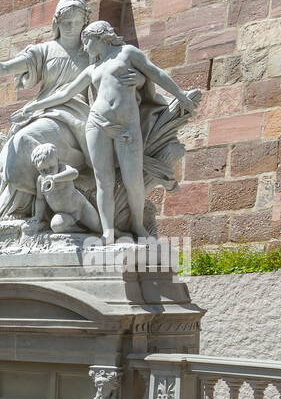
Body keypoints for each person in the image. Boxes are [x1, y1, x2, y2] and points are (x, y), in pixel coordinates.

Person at [0, 0, 136, 225]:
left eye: (77, 22)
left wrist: (136, 80)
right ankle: (18, 212)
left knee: (25, 139)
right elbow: (6, 68)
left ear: (84, 22)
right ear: (57, 22)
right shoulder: (44, 50)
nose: (71, 27)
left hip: (74, 114)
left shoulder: (92, 51)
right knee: (13, 147)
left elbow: (116, 72)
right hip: (43, 110)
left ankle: (33, 209)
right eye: (66, 22)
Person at [12, 21, 200, 243]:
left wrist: (181, 96)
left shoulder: (127, 53)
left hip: (126, 126)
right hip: (97, 124)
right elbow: (65, 94)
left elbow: (155, 73)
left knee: (133, 180)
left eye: (86, 41)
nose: (85, 47)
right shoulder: (93, 69)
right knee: (104, 181)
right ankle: (108, 230)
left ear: (98, 36)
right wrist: (31, 107)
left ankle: (138, 225)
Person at [29, 142, 100, 234]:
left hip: (81, 208)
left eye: (51, 167)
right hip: (64, 215)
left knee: (98, 228)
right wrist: (38, 216)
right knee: (55, 226)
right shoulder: (40, 180)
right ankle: (80, 230)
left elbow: (74, 173)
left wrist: (54, 178)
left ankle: (116, 233)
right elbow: (40, 199)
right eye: (42, 170)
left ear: (57, 161)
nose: (48, 172)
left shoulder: (63, 169)